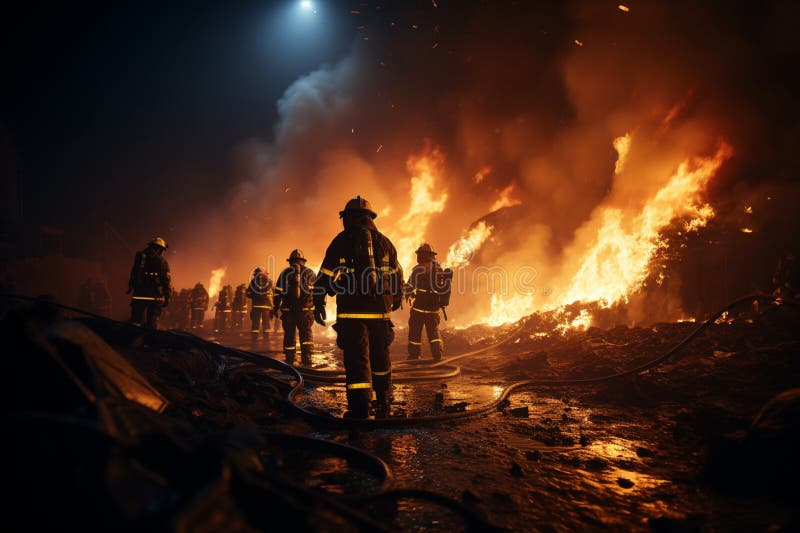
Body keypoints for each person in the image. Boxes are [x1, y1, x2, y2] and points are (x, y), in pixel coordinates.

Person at [313, 196, 404, 419]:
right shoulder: (384, 242)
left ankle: (360, 407)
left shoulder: (341, 241)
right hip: (380, 312)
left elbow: (324, 275)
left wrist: (318, 302)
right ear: (370, 218)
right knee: (381, 356)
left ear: (347, 218)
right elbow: (397, 274)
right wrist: (396, 298)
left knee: (357, 360)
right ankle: (383, 399)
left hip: (351, 313)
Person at [404, 243, 451, 362]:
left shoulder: (418, 269)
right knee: (434, 333)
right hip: (434, 308)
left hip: (419, 308)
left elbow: (409, 287)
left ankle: (414, 356)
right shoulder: (438, 269)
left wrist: (403, 288)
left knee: (415, 332)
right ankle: (437, 355)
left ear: (422, 255)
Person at [273, 250, 316, 366]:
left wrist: (275, 307)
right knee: (306, 334)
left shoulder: (285, 273)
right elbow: (318, 292)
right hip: (305, 312)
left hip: (289, 311)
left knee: (289, 334)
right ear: (303, 261)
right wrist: (316, 308)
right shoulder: (310, 273)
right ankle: (307, 358)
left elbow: (277, 293)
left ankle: (290, 358)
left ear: (290, 261)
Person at [128, 237, 172, 329]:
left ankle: (131, 338)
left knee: (136, 320)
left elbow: (134, 272)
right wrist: (167, 296)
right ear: (159, 249)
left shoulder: (140, 257)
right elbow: (166, 280)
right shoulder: (162, 262)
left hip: (139, 293)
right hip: (154, 295)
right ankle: (150, 340)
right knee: (152, 320)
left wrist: (131, 286)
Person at [246, 267, 274, 342]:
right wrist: (273, 306)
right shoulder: (270, 281)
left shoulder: (253, 282)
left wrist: (254, 296)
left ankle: (254, 339)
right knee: (266, 324)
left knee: (255, 324)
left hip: (256, 306)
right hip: (266, 307)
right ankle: (266, 339)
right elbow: (274, 293)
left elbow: (248, 293)